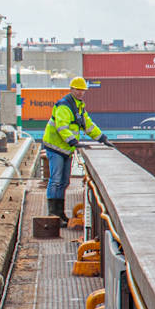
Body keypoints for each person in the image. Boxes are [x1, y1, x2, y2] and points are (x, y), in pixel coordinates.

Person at [41, 76, 105, 220]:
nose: (80, 92)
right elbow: (61, 127)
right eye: (78, 89)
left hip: (67, 149)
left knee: (64, 181)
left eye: (83, 90)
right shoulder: (64, 106)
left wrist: (102, 138)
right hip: (56, 147)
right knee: (56, 179)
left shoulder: (79, 107)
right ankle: (53, 212)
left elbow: (88, 125)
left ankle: (60, 212)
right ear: (71, 89)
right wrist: (73, 141)